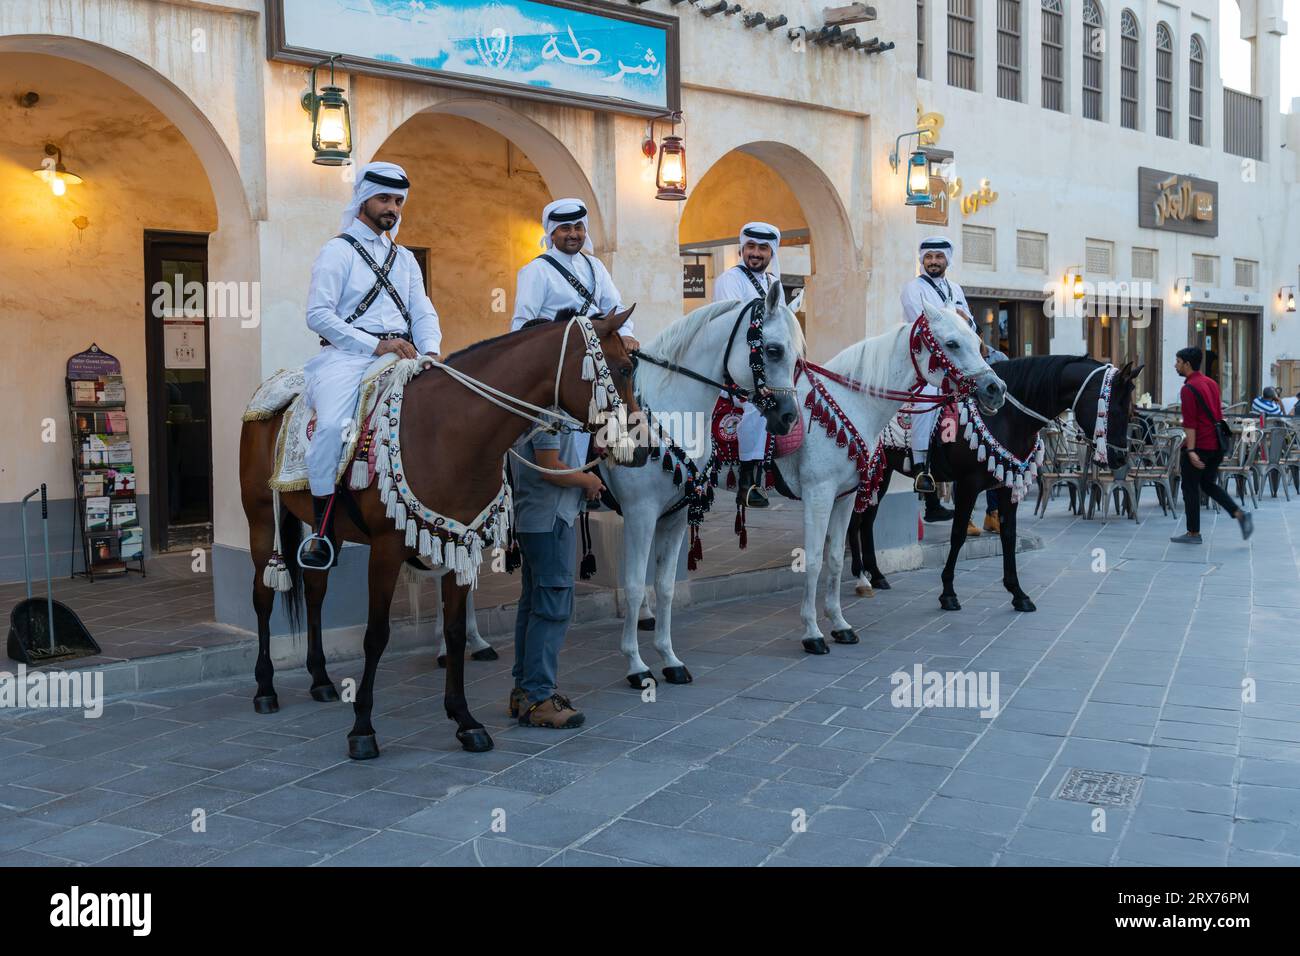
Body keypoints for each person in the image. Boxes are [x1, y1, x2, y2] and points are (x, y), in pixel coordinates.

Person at [300, 161, 442, 569]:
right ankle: (322, 527)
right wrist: (375, 345)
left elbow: (423, 311)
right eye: (384, 199)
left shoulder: (406, 259)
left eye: (398, 201)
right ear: (363, 199)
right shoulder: (337, 251)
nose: (392, 208)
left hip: (404, 355)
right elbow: (319, 315)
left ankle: (416, 519)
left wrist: (430, 351)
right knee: (331, 426)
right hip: (344, 358)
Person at [507, 318, 606, 729]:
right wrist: (588, 479)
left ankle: (524, 691)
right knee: (551, 608)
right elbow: (549, 467)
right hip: (549, 518)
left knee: (534, 605)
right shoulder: (544, 406)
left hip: (541, 519)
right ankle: (540, 698)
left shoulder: (536, 398)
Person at [512, 198, 637, 503]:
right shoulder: (536, 271)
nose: (573, 234)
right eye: (565, 228)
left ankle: (619, 470)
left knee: (626, 396)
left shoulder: (595, 266)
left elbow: (615, 306)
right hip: (564, 366)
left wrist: (627, 335)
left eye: (579, 227)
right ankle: (580, 483)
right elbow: (522, 325)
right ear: (552, 233)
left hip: (599, 360)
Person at [900, 235, 974, 523]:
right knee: (924, 403)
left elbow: (969, 322)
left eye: (938, 257)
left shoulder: (954, 288)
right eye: (928, 257)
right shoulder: (912, 288)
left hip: (954, 363)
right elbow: (925, 327)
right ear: (922, 260)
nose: (933, 261)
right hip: (923, 362)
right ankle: (920, 466)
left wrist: (957, 317)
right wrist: (954, 315)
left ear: (947, 260)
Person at [714, 221, 784, 508]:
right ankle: (748, 480)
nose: (756, 253)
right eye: (751, 247)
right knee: (758, 406)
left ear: (772, 253)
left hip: (765, 362)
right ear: (742, 249)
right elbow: (734, 324)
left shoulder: (773, 284)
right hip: (735, 362)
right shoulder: (729, 280)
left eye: (762, 248)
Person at [1170, 347, 1253, 544]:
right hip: (1216, 445)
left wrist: (1190, 450)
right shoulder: (1211, 383)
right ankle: (1239, 514)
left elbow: (1190, 423)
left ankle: (1193, 533)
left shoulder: (1188, 388)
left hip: (1200, 446)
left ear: (1187, 364)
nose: (1176, 365)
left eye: (1178, 361)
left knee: (1189, 487)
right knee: (1207, 484)